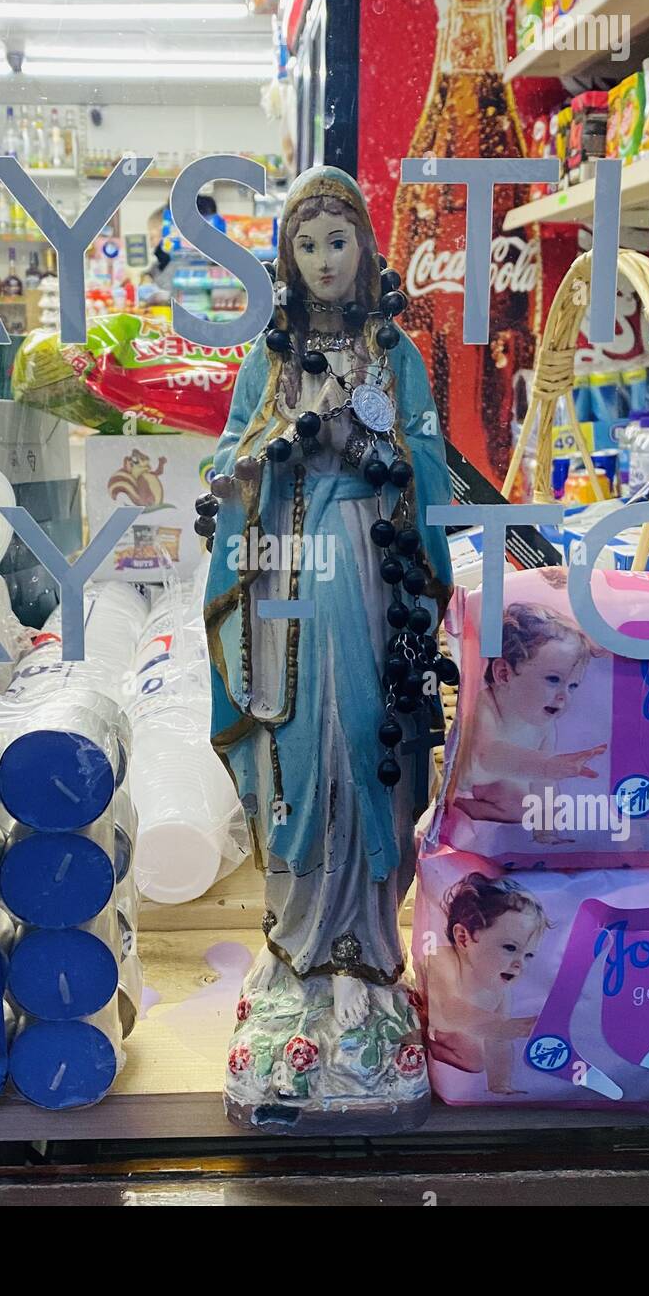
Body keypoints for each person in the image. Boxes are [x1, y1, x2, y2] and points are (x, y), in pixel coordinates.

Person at [206, 166, 453, 1051]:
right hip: (285, 569)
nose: (323, 261)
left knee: (366, 734)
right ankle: (300, 946)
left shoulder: (396, 354)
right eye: (306, 245)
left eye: (337, 241)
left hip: (366, 568)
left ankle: (369, 952)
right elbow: (233, 455)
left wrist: (375, 444)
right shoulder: (269, 360)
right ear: (286, 256)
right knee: (298, 747)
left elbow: (433, 462)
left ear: (365, 247)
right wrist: (256, 464)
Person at [454, 602, 606, 842]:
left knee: (524, 806)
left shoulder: (543, 727)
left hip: (500, 788)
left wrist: (546, 832)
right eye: (553, 679)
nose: (564, 696)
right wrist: (546, 765)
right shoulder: (486, 706)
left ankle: (477, 813)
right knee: (517, 795)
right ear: (504, 674)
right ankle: (459, 809)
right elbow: (487, 755)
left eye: (573, 685)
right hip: (470, 783)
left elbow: (544, 785)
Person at [425, 872, 549, 1093]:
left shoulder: (501, 990)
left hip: (462, 1038)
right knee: (472, 1046)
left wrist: (500, 1084)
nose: (520, 964)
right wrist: (503, 1027)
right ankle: (426, 1047)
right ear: (463, 938)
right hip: (430, 1027)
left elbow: (499, 1042)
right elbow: (451, 1008)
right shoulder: (442, 960)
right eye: (510, 948)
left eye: (529, 955)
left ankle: (434, 1050)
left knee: (476, 1061)